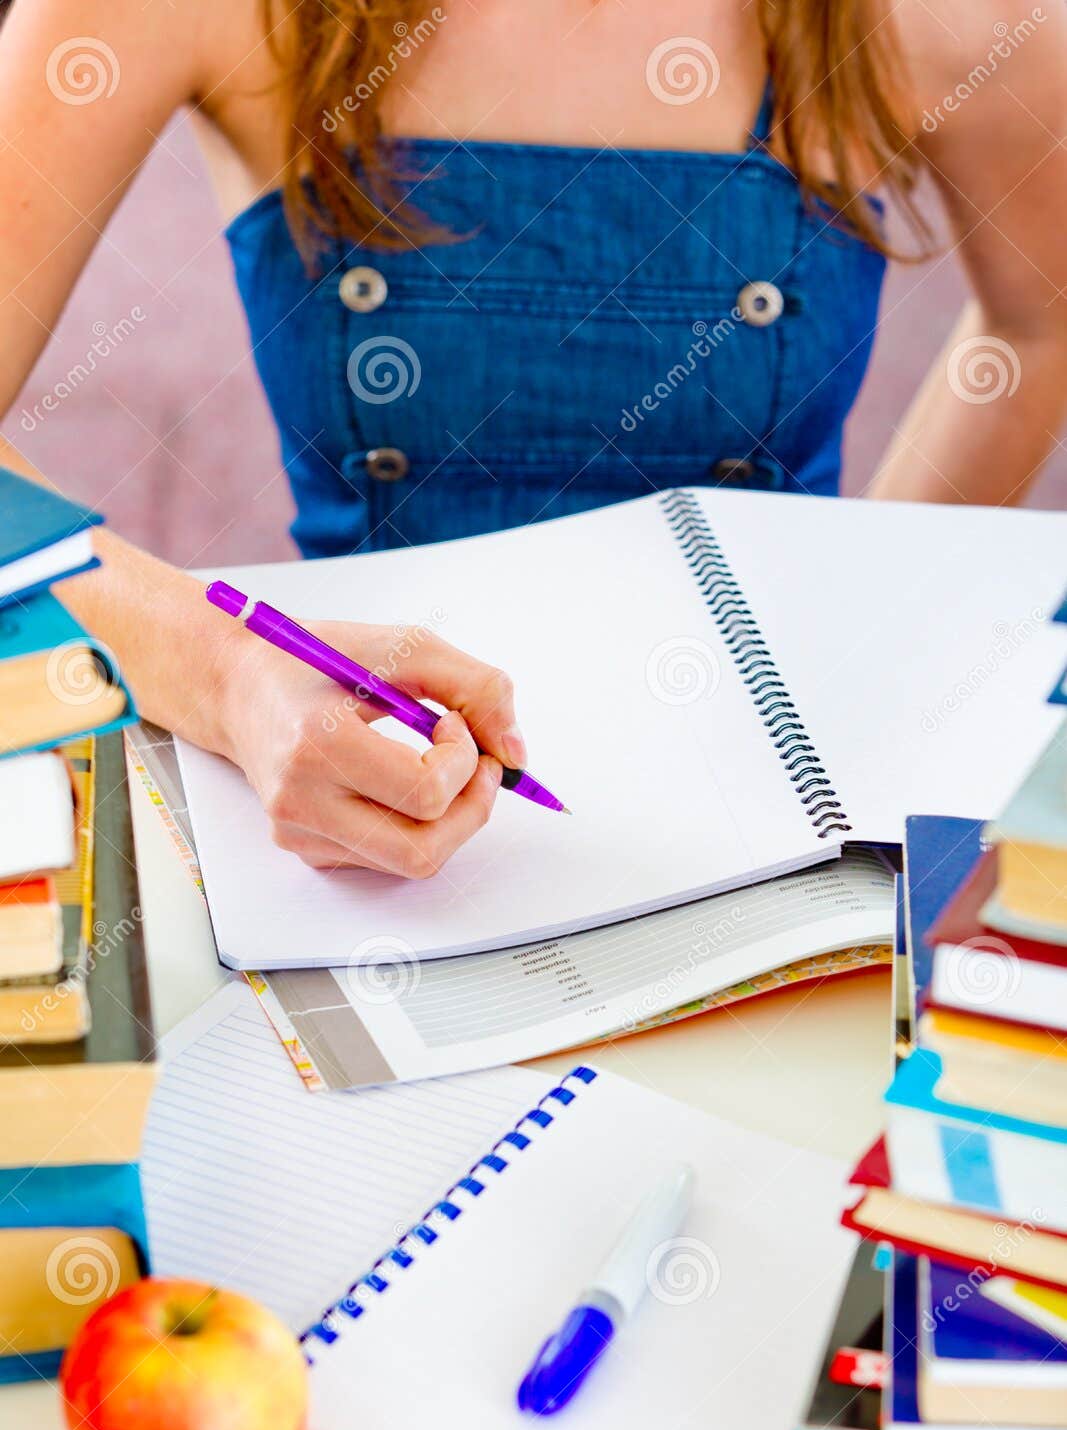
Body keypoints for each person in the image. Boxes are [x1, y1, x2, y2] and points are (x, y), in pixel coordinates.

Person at [1, 0, 1065, 877]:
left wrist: (877, 625)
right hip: (355, 799)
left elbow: (1038, 314)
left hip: (784, 833)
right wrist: (231, 675)